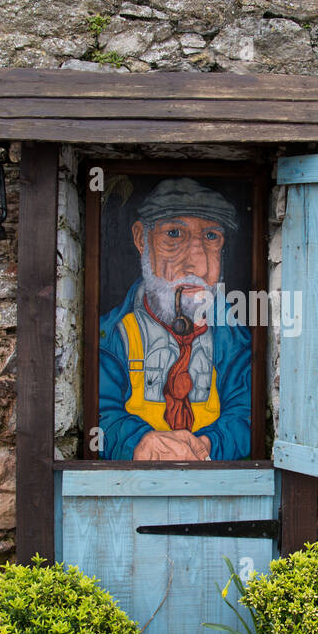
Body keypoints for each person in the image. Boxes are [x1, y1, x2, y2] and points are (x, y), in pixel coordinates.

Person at [98, 178, 251, 461]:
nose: (199, 264)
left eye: (211, 237)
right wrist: (138, 442)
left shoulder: (234, 339)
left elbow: (247, 413)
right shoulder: (112, 335)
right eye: (174, 234)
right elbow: (100, 414)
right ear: (141, 239)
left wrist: (209, 445)